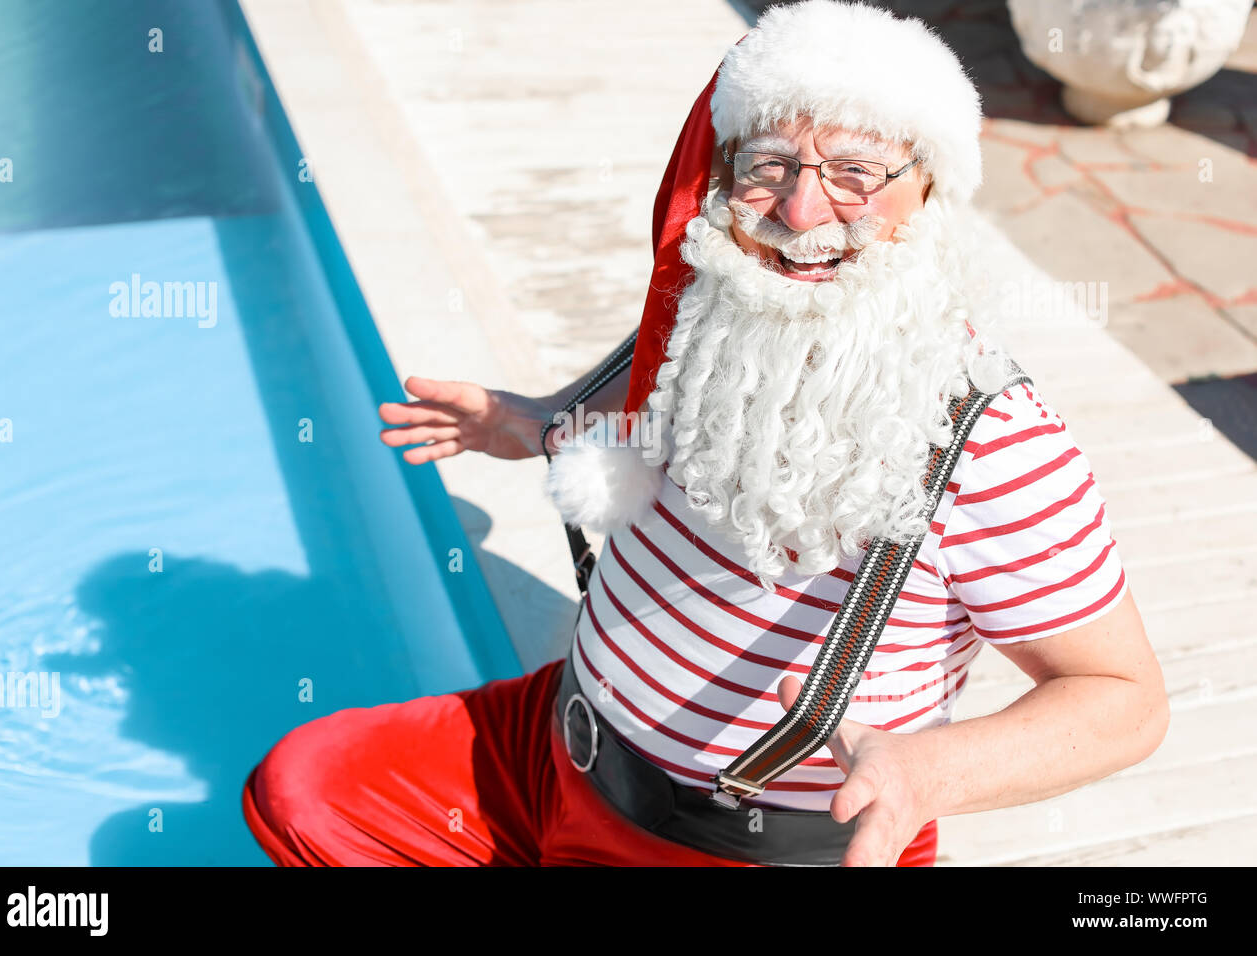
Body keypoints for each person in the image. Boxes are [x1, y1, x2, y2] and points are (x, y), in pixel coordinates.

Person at [241, 0, 1168, 867]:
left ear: (928, 193)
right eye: (770, 166)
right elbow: (642, 372)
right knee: (304, 791)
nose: (802, 214)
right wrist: (531, 423)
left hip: (732, 846)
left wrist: (930, 771)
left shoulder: (993, 440)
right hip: (548, 754)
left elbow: (1126, 703)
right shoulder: (717, 308)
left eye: (856, 174)